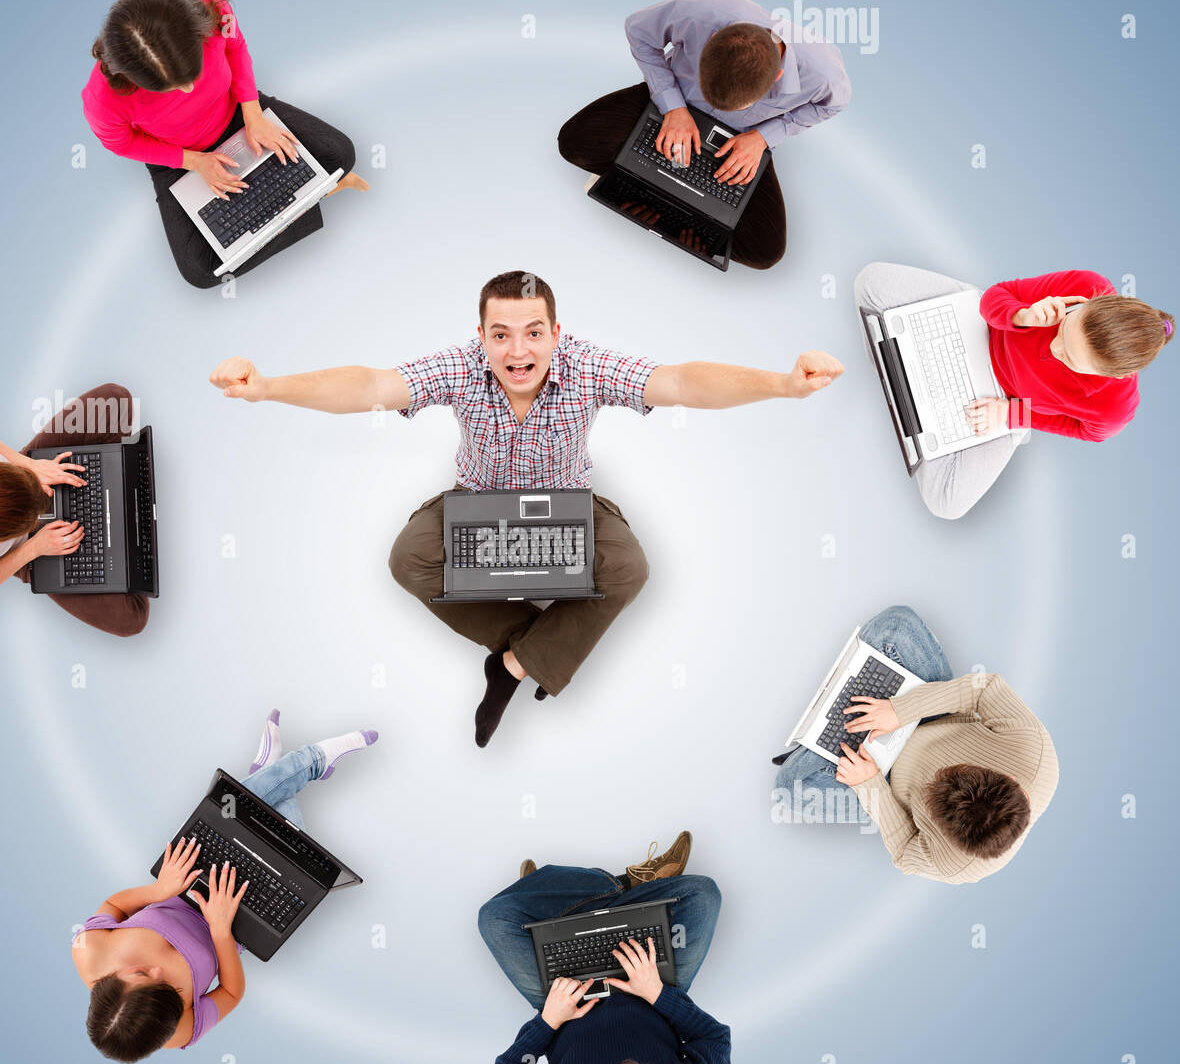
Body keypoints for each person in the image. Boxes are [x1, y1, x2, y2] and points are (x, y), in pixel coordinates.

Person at [208, 269, 844, 745]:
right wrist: (267, 387)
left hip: (566, 511)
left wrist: (783, 384)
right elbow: (373, 386)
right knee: (408, 561)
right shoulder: (461, 367)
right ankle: (532, 648)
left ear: (556, 333)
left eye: (534, 333)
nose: (518, 352)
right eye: (501, 335)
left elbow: (678, 381)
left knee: (629, 570)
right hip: (477, 507)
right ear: (480, 336)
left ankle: (510, 664)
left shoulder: (586, 364)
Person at [73, 716, 377, 1062]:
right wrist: (220, 929)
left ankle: (312, 761)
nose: (157, 970)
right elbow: (231, 992)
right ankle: (274, 768)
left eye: (141, 973)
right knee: (291, 844)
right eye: (167, 988)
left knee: (230, 808)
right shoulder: (178, 1031)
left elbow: (114, 904)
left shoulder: (88, 951)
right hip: (235, 920)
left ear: (105, 985)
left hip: (184, 882)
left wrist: (160, 890)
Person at [82, 0, 367, 289]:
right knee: (201, 272)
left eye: (193, 75)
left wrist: (253, 115)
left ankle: (305, 197)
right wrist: (195, 162)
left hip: (237, 113)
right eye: (173, 87)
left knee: (341, 154)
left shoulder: (212, 9)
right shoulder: (102, 100)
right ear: (130, 78)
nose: (189, 90)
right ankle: (315, 194)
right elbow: (122, 143)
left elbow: (236, 49)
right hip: (177, 156)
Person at [558, 0, 850, 271]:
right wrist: (673, 106)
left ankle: (656, 194)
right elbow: (637, 29)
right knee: (573, 144)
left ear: (777, 77)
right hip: (671, 106)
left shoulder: (822, 72)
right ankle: (651, 182)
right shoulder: (702, 14)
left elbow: (831, 106)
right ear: (711, 40)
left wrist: (763, 137)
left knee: (765, 252)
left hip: (739, 140)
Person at [477, 833, 730, 1064]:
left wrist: (549, 1020)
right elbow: (715, 1039)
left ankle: (560, 901)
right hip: (649, 983)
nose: (628, 1057)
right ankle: (572, 899)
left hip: (566, 994)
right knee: (702, 894)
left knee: (494, 918)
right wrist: (658, 995)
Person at [854, 264, 1172, 519]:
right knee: (871, 282)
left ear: (1113, 375)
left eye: (1070, 358)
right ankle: (900, 373)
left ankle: (896, 368)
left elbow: (1086, 431)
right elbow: (998, 294)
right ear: (1089, 302)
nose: (1053, 345)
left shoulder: (1115, 407)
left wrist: (1011, 415)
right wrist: (1022, 315)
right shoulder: (1086, 284)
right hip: (982, 329)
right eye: (1065, 328)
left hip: (1003, 404)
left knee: (946, 504)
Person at [772, 606, 1059, 884]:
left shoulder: (957, 866)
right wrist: (902, 710)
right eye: (950, 771)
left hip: (886, 782)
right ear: (1008, 776)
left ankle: (832, 737)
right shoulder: (1035, 753)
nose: (934, 775)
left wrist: (870, 785)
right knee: (897, 624)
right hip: (932, 716)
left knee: (788, 791)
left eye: (932, 791)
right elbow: (983, 689)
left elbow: (905, 850)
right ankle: (830, 739)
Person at [0, 384, 148, 637]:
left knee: (116, 401)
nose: (45, 508)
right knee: (132, 619)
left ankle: (107, 468)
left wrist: (30, 466)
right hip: (27, 549)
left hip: (30, 469)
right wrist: (34, 548)